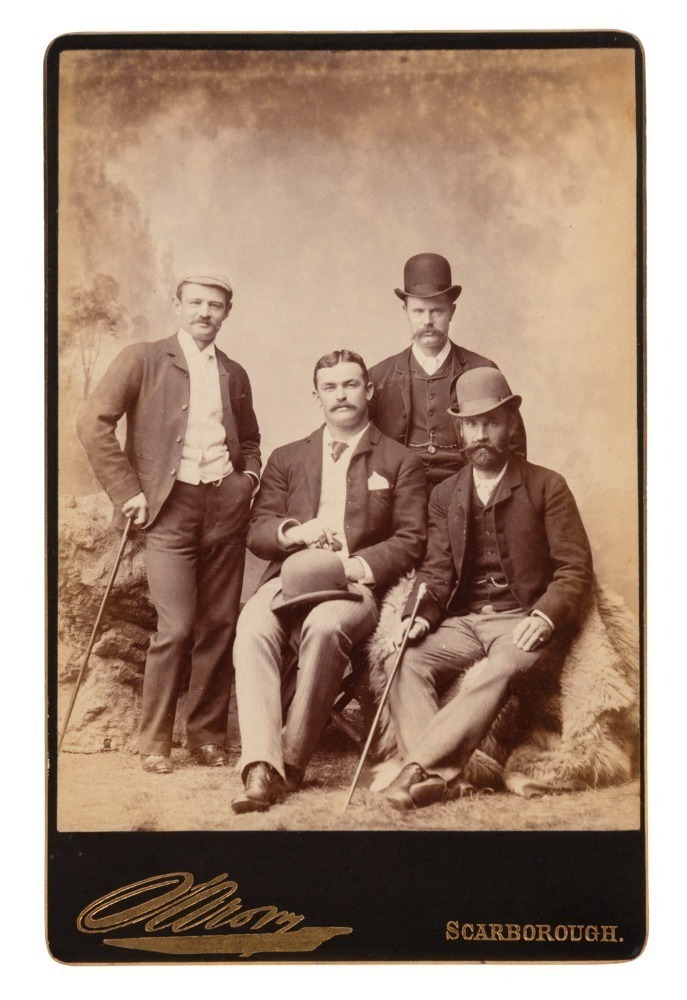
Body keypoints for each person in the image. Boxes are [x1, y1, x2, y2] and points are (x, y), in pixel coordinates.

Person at [380, 366, 593, 810]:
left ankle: (417, 770)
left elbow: (574, 569)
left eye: (491, 422)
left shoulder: (548, 486)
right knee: (404, 659)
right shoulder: (445, 495)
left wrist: (545, 616)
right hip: (464, 621)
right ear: (460, 429)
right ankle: (446, 778)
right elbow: (436, 570)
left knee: (503, 666)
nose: (481, 435)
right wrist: (419, 617)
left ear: (510, 424)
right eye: (472, 424)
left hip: (521, 618)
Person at [77, 268, 261, 774]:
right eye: (196, 302)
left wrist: (246, 480)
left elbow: (249, 439)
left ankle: (206, 737)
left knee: (220, 625)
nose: (205, 312)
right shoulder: (142, 358)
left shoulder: (234, 372)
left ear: (227, 313)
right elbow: (92, 423)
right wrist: (128, 491)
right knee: (176, 627)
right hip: (168, 510)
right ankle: (155, 740)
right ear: (178, 305)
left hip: (225, 507)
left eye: (215, 305)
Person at [231, 349, 427, 813]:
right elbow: (258, 529)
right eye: (330, 387)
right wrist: (294, 533)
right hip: (290, 576)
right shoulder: (287, 457)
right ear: (316, 395)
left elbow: (412, 539)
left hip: (356, 586)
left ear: (369, 390)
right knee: (252, 626)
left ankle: (289, 764)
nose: (341, 395)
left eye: (351, 384)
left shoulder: (401, 460)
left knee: (325, 627)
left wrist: (355, 566)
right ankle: (258, 764)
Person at [369, 252, 526, 489]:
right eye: (418, 311)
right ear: (405, 311)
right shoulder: (380, 376)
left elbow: (514, 444)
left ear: (451, 312)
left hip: (468, 493)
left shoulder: (482, 370)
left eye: (437, 311)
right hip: (400, 494)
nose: (427, 321)